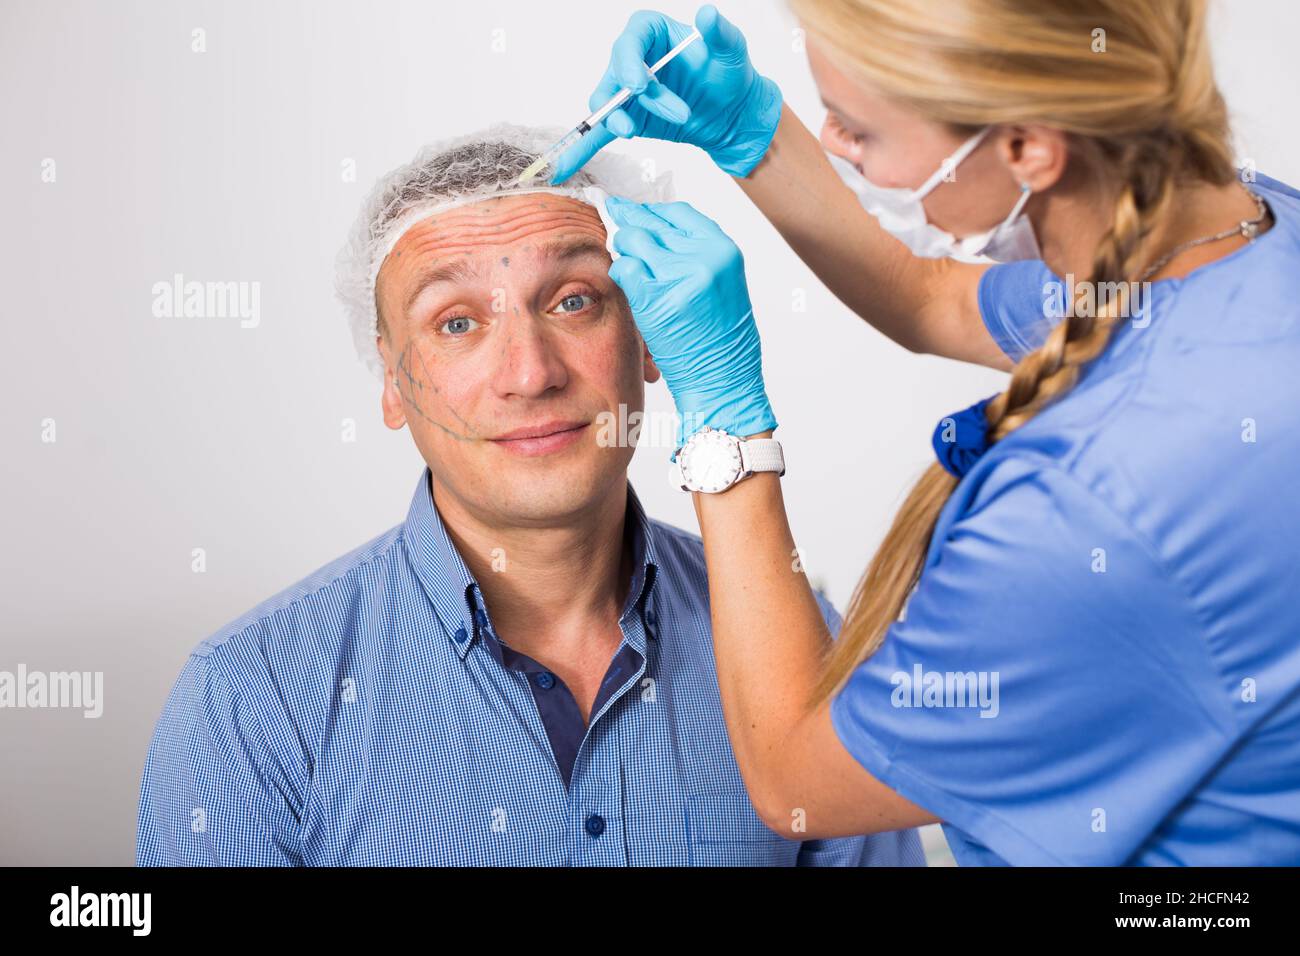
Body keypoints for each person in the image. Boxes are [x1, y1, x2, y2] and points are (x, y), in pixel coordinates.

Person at [552, 2, 1300, 865]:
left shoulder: (1092, 512)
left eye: (860, 128)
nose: (831, 140)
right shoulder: (1240, 232)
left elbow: (798, 785)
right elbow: (929, 296)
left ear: (1028, 148)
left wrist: (724, 420)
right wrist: (751, 130)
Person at [135, 124, 923, 867]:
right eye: (456, 323)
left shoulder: (798, 643)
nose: (531, 372)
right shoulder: (249, 698)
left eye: (573, 300)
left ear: (649, 335)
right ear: (391, 383)